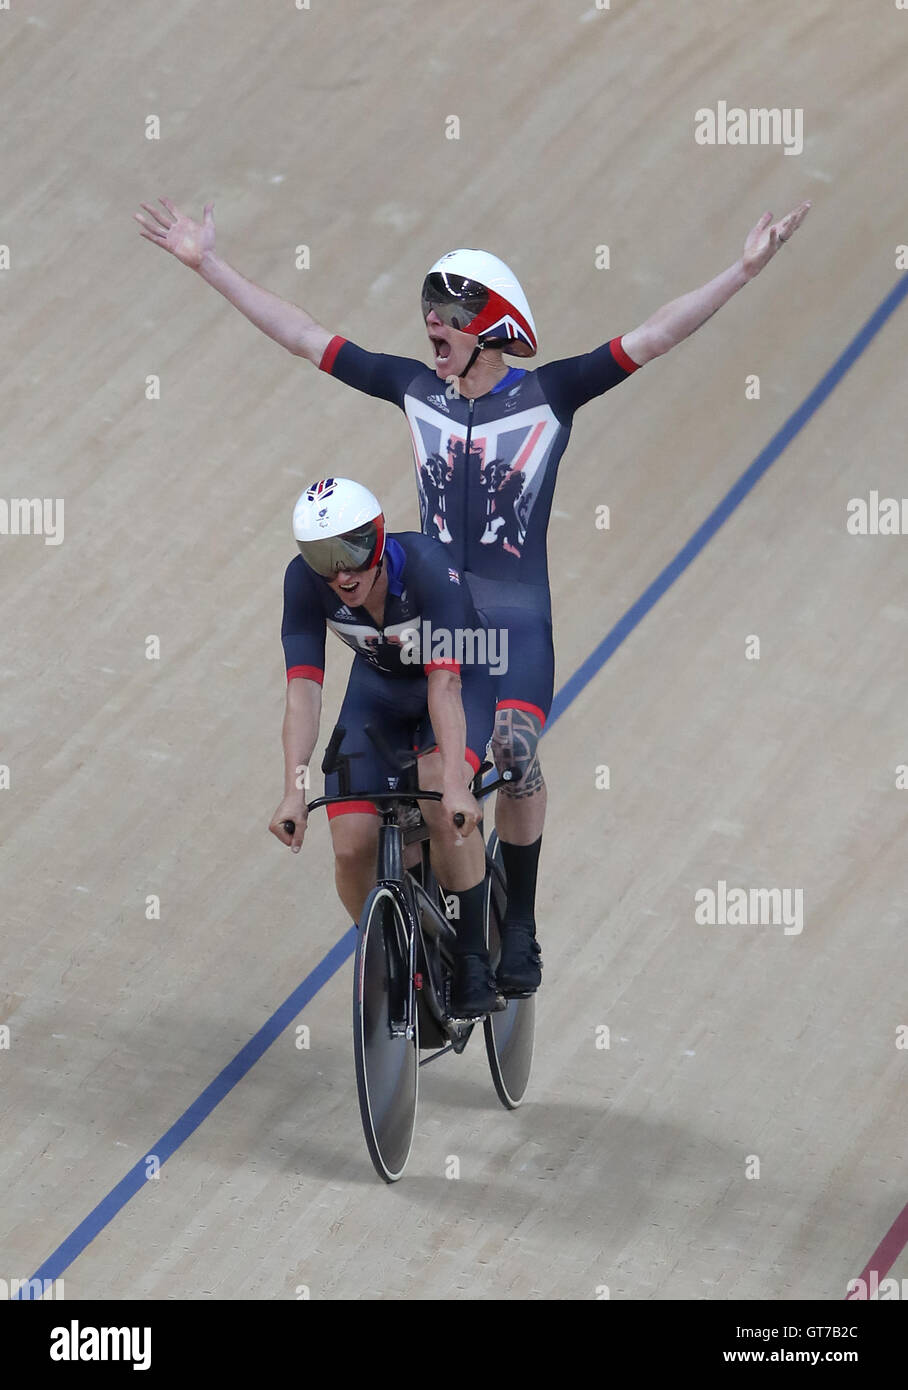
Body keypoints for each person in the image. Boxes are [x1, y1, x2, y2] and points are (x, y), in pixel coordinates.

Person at [136, 197, 811, 998]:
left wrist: (741, 271)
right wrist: (207, 263)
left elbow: (656, 335)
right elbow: (301, 334)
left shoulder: (552, 394)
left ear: (487, 325)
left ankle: (517, 922)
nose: (430, 328)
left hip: (513, 621)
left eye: (445, 317)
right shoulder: (414, 387)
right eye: (427, 317)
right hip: (429, 613)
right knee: (414, 780)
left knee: (515, 757)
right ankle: (426, 921)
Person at [268, 476, 505, 1018]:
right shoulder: (305, 583)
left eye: (350, 551)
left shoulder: (426, 568)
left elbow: (445, 685)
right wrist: (291, 791)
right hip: (375, 698)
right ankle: (394, 957)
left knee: (435, 799)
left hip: (457, 682)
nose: (341, 573)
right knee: (351, 844)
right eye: (322, 557)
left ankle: (471, 959)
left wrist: (453, 788)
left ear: (377, 536)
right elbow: (303, 689)